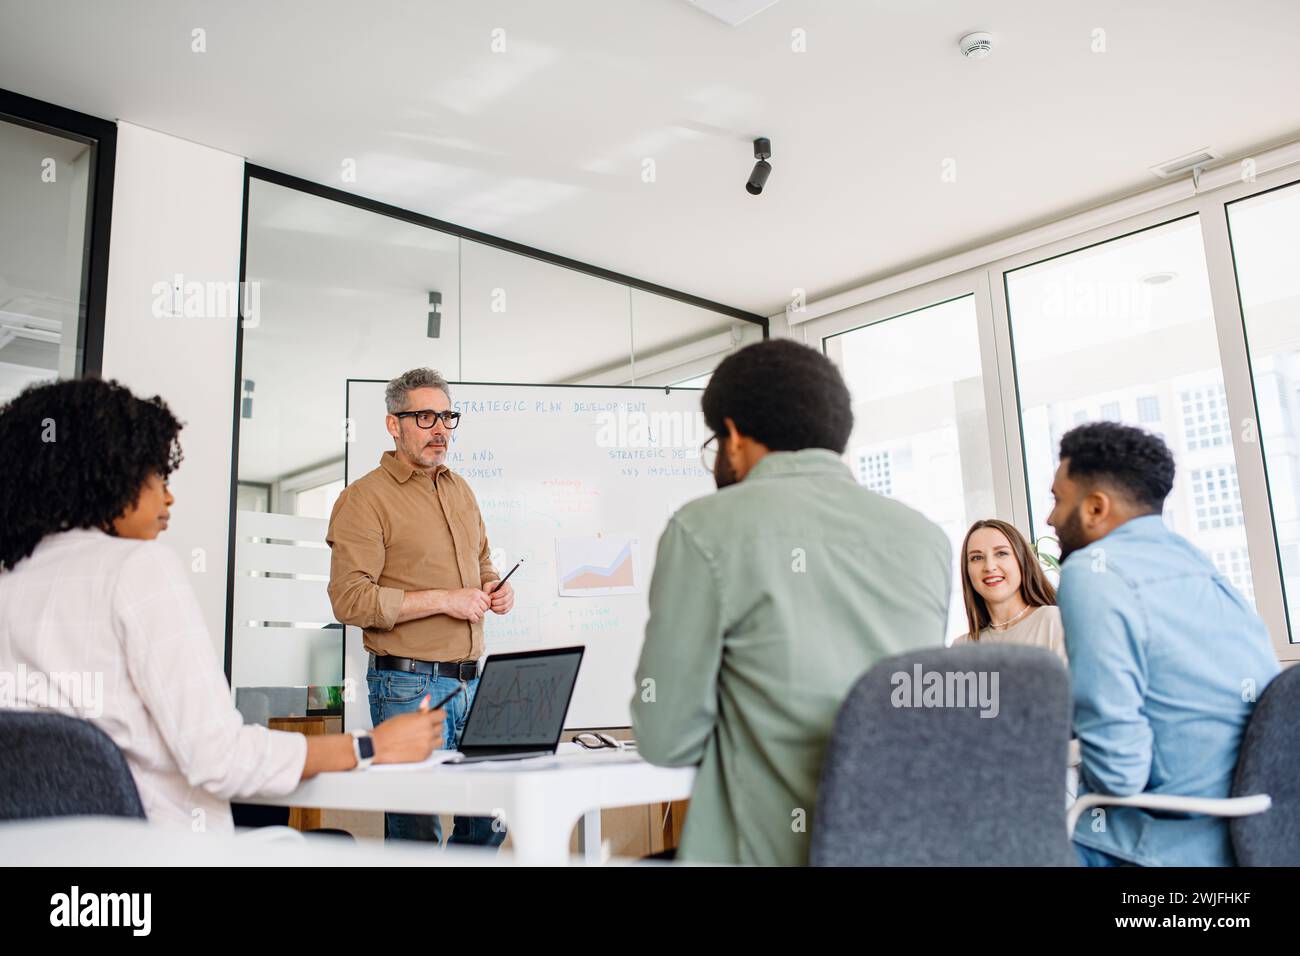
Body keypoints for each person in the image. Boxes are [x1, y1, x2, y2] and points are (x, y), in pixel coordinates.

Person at [0, 377, 442, 833]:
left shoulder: (12, 581)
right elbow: (218, 757)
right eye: (155, 475)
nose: (167, 495)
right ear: (101, 474)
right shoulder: (135, 567)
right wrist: (370, 747)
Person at [631, 339, 952, 865]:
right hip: (902, 846)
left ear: (732, 436)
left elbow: (666, 738)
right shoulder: (925, 539)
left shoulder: (705, 528)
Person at [1048, 421, 1280, 866]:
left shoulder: (1093, 573)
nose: (1051, 518)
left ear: (1096, 508)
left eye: (1058, 500)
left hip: (1152, 850)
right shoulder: (1197, 565)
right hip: (1246, 840)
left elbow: (1120, 775)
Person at [327, 367, 514, 848]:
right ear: (394, 424)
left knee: (490, 817)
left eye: (447, 416)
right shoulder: (363, 499)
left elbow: (482, 561)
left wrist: (494, 587)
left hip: (474, 681)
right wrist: (444, 601)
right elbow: (349, 599)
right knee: (416, 837)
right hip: (408, 684)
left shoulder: (460, 489)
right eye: (425, 416)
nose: (440, 429)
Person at [952, 518, 1066, 663]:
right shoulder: (961, 648)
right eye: (977, 557)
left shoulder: (1052, 621)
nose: (989, 566)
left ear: (1021, 560)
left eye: (1001, 553)